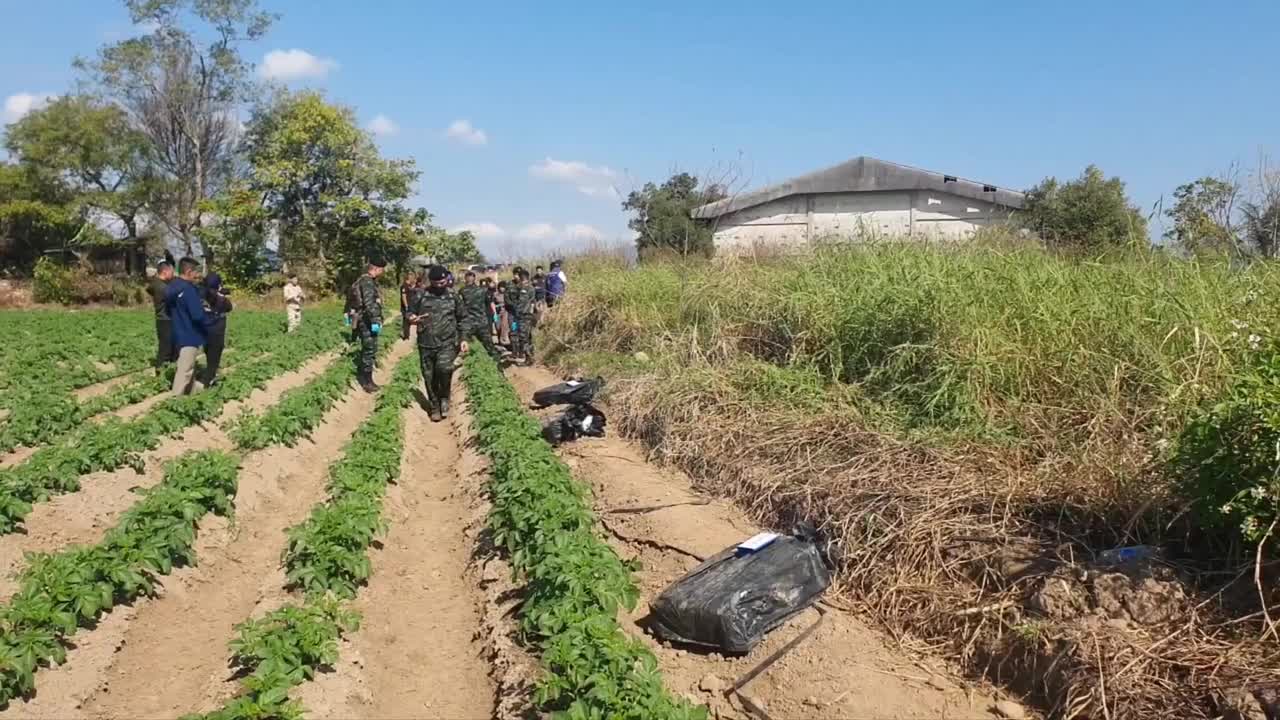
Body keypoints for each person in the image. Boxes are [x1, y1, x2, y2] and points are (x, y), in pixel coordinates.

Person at [408, 265, 468, 422]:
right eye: (437, 283)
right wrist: (412, 318)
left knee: (444, 368)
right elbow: (409, 312)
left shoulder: (453, 296)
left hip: (447, 342)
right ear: (431, 281)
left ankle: (445, 398)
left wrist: (463, 339)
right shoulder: (421, 295)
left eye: (443, 282)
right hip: (426, 343)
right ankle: (434, 406)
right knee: (429, 376)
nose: (441, 285)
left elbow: (462, 319)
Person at [164, 257, 209, 396]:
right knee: (185, 370)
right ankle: (175, 400)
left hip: (177, 332)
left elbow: (168, 311)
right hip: (190, 334)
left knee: (188, 367)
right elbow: (197, 315)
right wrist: (207, 315)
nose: (197, 276)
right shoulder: (189, 290)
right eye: (195, 272)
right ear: (189, 272)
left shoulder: (171, 287)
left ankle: (193, 393)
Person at [346, 254, 387, 393]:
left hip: (363, 320)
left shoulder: (362, 280)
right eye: (382, 269)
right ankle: (367, 381)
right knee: (369, 349)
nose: (382, 272)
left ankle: (365, 378)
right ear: (376, 268)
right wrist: (376, 320)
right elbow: (369, 304)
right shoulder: (367, 282)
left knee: (368, 349)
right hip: (367, 321)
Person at [200, 272, 233, 387]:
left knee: (208, 353)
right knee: (214, 359)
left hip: (204, 328)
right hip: (217, 329)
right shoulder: (220, 299)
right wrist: (223, 295)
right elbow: (229, 307)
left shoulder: (200, 294)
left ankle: (208, 377)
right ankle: (208, 382)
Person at [459, 270, 500, 360]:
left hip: (468, 323)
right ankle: (498, 367)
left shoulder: (462, 291)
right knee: (490, 347)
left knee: (464, 347)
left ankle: (470, 366)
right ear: (474, 279)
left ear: (465, 279)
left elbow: (459, 307)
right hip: (482, 322)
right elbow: (489, 303)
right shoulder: (483, 290)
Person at [505, 268, 537, 366]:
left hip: (524, 316)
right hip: (521, 316)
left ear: (522, 277)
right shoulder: (522, 287)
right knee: (523, 336)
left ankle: (529, 358)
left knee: (524, 338)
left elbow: (528, 303)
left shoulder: (527, 288)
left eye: (519, 276)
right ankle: (526, 356)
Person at [149, 261, 176, 375]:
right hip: (166, 320)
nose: (173, 274)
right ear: (165, 272)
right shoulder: (163, 287)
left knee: (169, 347)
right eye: (172, 272)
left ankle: (168, 372)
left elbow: (149, 289)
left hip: (163, 319)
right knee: (166, 349)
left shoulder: (155, 283)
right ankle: (161, 374)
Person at [400, 272, 420, 340]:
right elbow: (404, 296)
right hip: (407, 306)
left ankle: (418, 335)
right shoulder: (404, 286)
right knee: (406, 321)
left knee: (417, 320)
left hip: (414, 306)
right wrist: (406, 306)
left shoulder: (416, 286)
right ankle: (406, 336)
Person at [495, 280, 512, 348]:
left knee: (504, 326)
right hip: (497, 312)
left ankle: (504, 340)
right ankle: (499, 339)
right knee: (498, 326)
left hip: (505, 311)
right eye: (501, 287)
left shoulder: (507, 294)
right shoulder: (495, 294)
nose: (502, 288)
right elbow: (492, 303)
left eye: (503, 287)